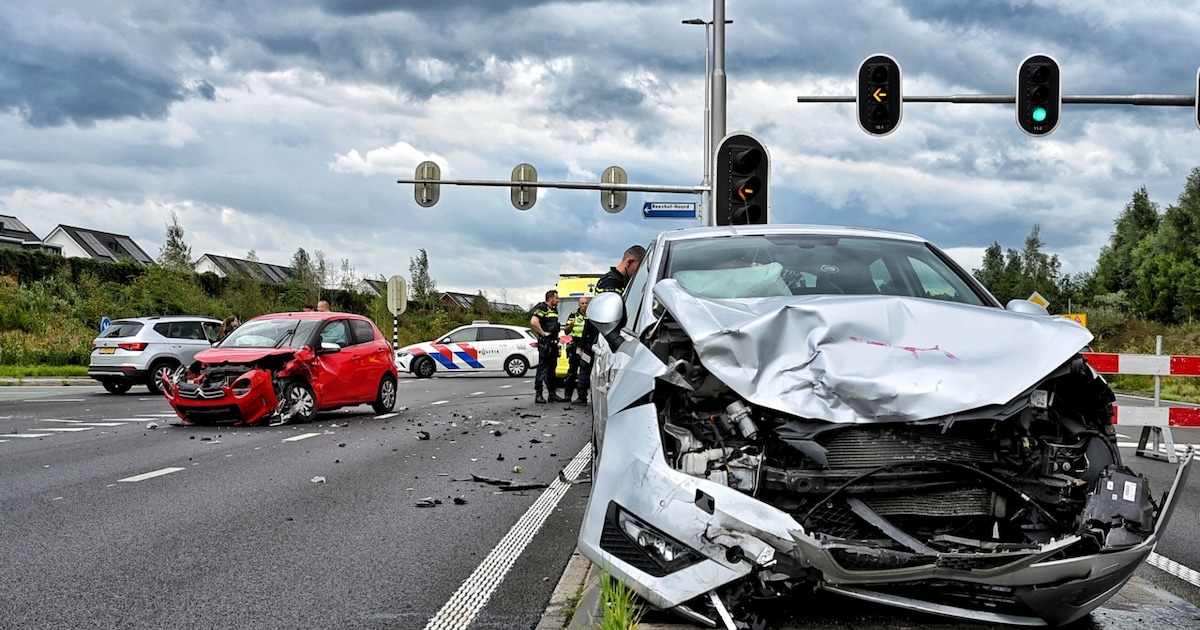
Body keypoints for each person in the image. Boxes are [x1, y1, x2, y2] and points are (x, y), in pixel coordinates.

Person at [530, 289, 563, 404]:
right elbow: (534, 322)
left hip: (553, 343)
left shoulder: (554, 310)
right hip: (545, 344)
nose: (558, 300)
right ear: (550, 298)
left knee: (552, 370)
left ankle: (552, 394)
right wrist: (543, 333)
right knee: (542, 369)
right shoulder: (542, 308)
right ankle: (538, 394)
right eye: (556, 298)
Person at [561, 296, 589, 402]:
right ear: (579, 305)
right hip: (575, 345)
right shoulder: (574, 314)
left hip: (587, 346)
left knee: (584, 371)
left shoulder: (591, 314)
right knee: (572, 371)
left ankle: (582, 396)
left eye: (586, 303)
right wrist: (571, 325)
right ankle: (567, 396)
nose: (585, 305)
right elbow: (566, 331)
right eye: (582, 303)